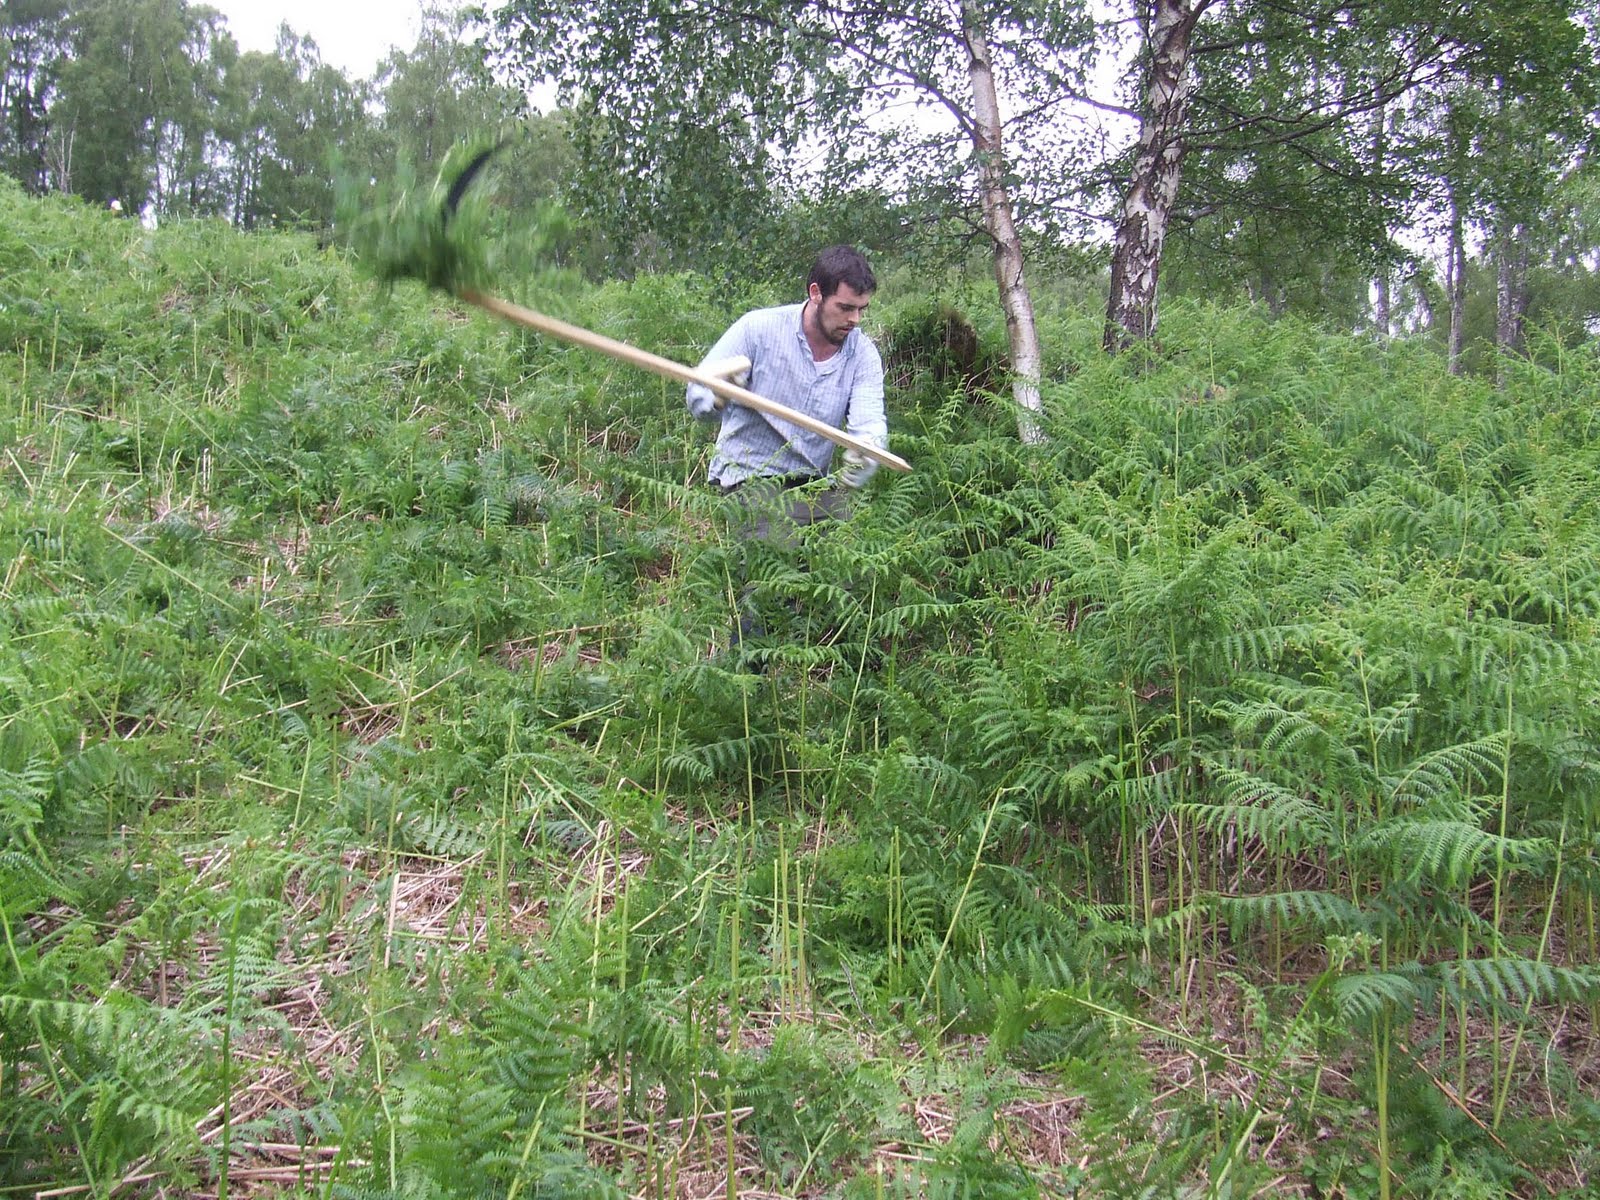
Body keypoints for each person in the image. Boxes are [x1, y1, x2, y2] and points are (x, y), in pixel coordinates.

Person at [685, 245, 890, 654]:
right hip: (751, 472)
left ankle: (839, 681)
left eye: (861, 309)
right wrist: (720, 395)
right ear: (816, 293)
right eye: (845, 307)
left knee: (857, 571)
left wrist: (864, 454)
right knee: (770, 575)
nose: (854, 319)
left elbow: (870, 425)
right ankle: (746, 683)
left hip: (815, 481)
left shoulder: (861, 353)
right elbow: (696, 394)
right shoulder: (757, 330)